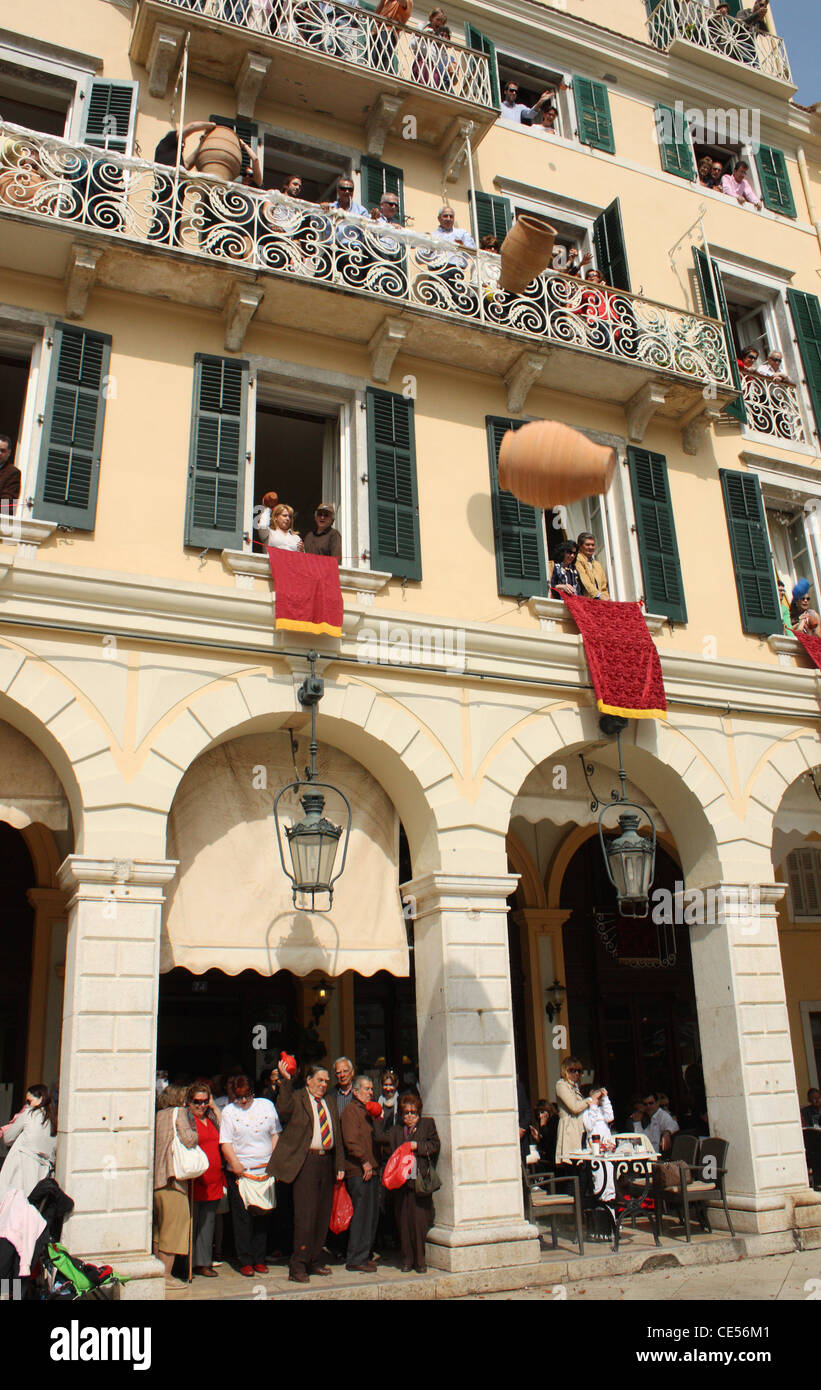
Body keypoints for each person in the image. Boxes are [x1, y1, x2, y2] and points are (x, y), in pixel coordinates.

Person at [269, 1060, 345, 1283]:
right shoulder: (297, 1098)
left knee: (322, 1214)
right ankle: (298, 1265)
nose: (324, 1084)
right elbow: (282, 1109)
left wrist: (339, 1164)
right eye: (320, 1080)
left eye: (326, 1081)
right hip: (306, 1163)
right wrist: (285, 1081)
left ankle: (314, 1259)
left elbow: (337, 1135)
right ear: (309, 1080)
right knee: (305, 1216)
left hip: (327, 1161)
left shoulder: (330, 1101)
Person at [219, 1074, 281, 1276]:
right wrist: (235, 1163)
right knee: (242, 1218)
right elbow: (226, 1141)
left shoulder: (266, 1106)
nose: (243, 1101)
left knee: (263, 1215)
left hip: (264, 1170)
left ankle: (260, 1258)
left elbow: (275, 1133)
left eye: (247, 1096)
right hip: (241, 1173)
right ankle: (245, 1259)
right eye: (238, 1098)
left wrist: (273, 1162)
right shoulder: (229, 1111)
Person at [383, 1091, 439, 1273]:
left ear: (419, 1113)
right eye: (406, 1113)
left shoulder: (427, 1125)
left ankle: (420, 1261)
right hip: (401, 1182)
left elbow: (435, 1145)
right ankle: (407, 1259)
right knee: (403, 1222)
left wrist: (418, 1146)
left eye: (413, 1113)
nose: (409, 1116)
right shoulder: (396, 1131)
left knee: (419, 1222)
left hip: (419, 1180)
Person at [153, 1084, 197, 1290]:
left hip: (156, 1180)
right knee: (174, 1229)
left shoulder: (157, 1115)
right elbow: (188, 1139)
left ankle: (155, 1271)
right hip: (173, 1179)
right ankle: (166, 1275)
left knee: (158, 1231)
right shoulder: (179, 1113)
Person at [341, 1074, 383, 1272]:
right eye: (367, 1089)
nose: (371, 1092)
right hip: (359, 1170)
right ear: (356, 1091)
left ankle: (364, 1255)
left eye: (372, 1089)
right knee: (362, 1214)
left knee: (371, 1215)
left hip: (373, 1169)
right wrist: (364, 1161)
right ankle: (355, 1258)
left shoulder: (368, 1111)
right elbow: (351, 1140)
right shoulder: (351, 1111)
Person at [186, 1081, 223, 1279]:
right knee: (193, 1223)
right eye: (197, 1101)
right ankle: (189, 1263)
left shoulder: (212, 1118)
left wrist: (214, 1108)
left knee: (208, 1225)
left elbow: (227, 1131)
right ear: (189, 1102)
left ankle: (203, 1262)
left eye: (204, 1101)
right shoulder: (187, 1120)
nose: (201, 1105)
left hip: (214, 1180)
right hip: (196, 1180)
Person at [0, 1085, 57, 1200]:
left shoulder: (29, 1114)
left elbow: (8, 1137)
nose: (27, 1104)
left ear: (40, 1099)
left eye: (29, 1101)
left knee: (14, 1205)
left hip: (21, 1169)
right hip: (43, 1172)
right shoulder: (54, 1120)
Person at [555, 1056, 596, 1165]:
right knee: (572, 1164)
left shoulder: (575, 1087)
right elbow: (574, 1107)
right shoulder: (561, 1085)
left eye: (578, 1071)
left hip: (580, 1130)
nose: (576, 1074)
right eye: (572, 1070)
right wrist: (590, 1100)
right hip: (570, 1130)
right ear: (565, 1071)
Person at [575, 532, 610, 600]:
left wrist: (606, 598)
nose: (590, 547)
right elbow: (585, 580)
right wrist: (598, 595)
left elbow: (604, 586)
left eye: (592, 545)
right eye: (587, 545)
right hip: (585, 600)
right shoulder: (577, 559)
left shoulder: (597, 565)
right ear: (580, 546)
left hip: (599, 602)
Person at [0, 434, 20, 518]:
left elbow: (7, 506)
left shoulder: (13, 473)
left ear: (9, 453)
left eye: (2, 451)